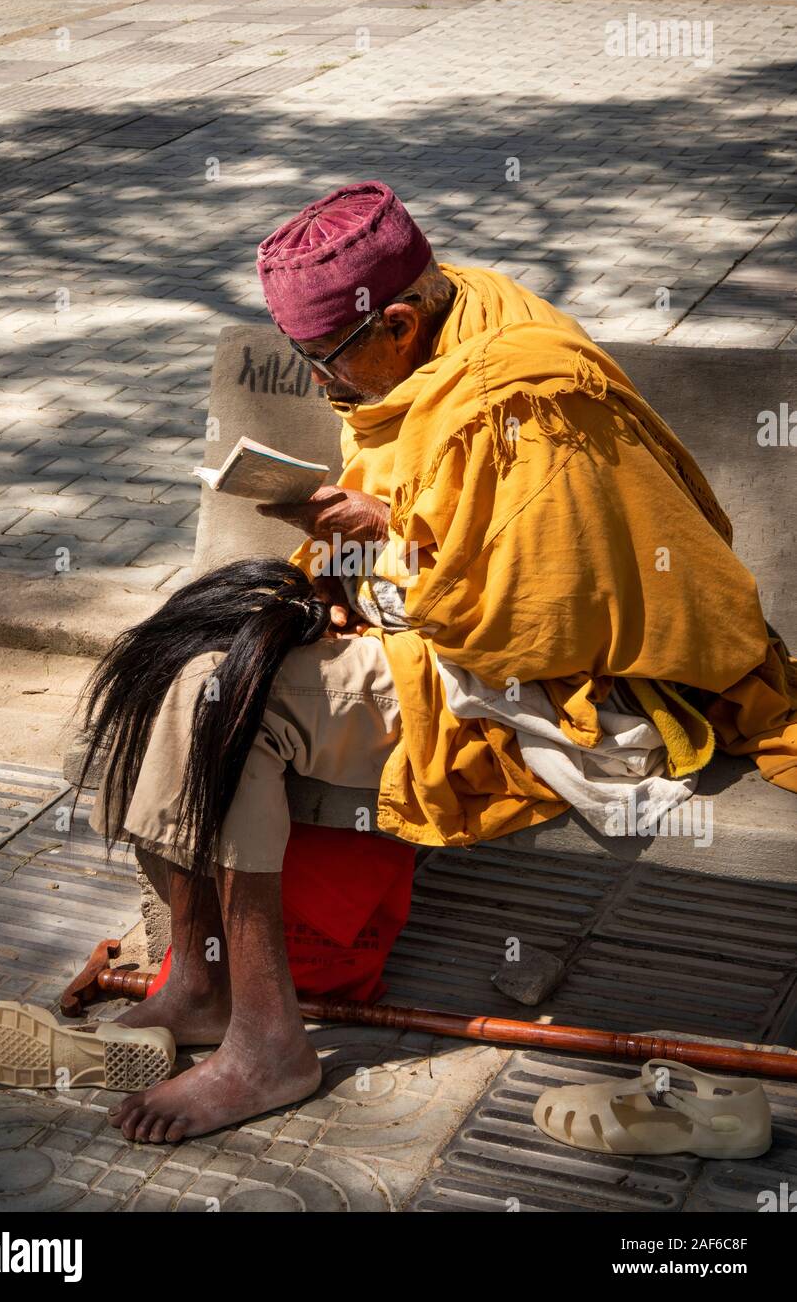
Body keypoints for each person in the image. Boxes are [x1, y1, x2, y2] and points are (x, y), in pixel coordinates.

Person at [84, 179, 796, 1143]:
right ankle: (202, 983)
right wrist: (350, 543)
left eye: (326, 363)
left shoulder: (531, 401)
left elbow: (537, 616)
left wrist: (386, 533)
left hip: (556, 683)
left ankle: (267, 1045)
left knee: (222, 705)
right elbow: (433, 521)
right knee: (163, 672)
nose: (326, 387)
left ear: (404, 323)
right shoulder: (441, 334)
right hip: (434, 628)